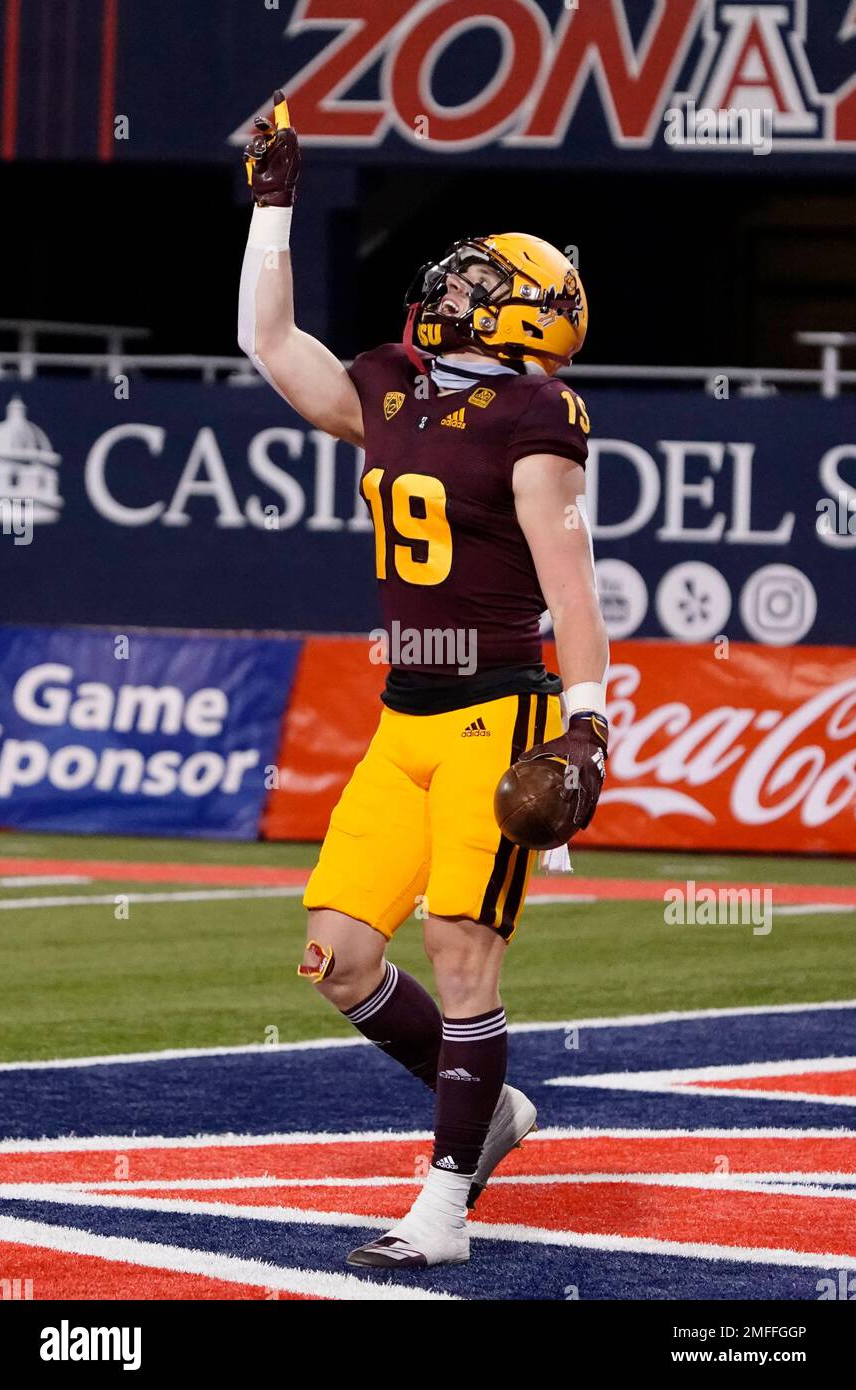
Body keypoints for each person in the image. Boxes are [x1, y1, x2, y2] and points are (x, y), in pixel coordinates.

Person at [238, 93, 609, 1270]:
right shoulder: (396, 385)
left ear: (518, 319)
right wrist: (273, 211)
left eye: (469, 285)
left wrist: (592, 722)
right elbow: (271, 346)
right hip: (405, 716)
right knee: (338, 954)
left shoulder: (534, 414)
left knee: (461, 951)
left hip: (499, 712)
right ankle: (489, 1110)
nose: (443, 292)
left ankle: (443, 1205)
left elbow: (573, 581)